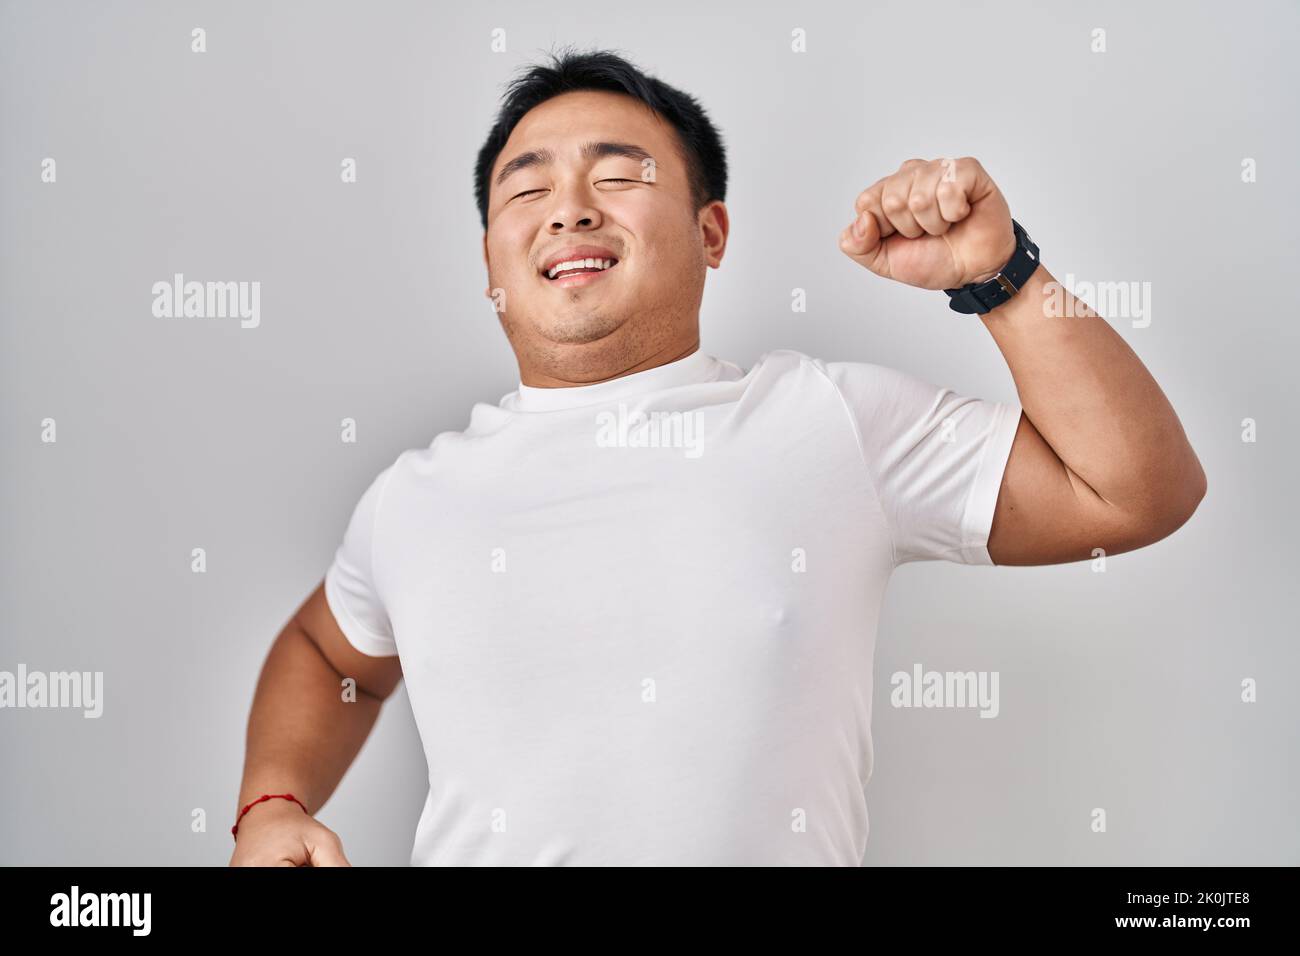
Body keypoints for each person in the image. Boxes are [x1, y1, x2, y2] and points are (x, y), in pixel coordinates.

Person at [229, 47, 1206, 866]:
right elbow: (325, 652)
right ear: (491, 257)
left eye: (617, 175)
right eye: (525, 187)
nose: (568, 208)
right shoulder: (412, 498)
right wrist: (272, 801)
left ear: (711, 232)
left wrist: (1000, 274)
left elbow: (1132, 492)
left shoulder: (827, 420)